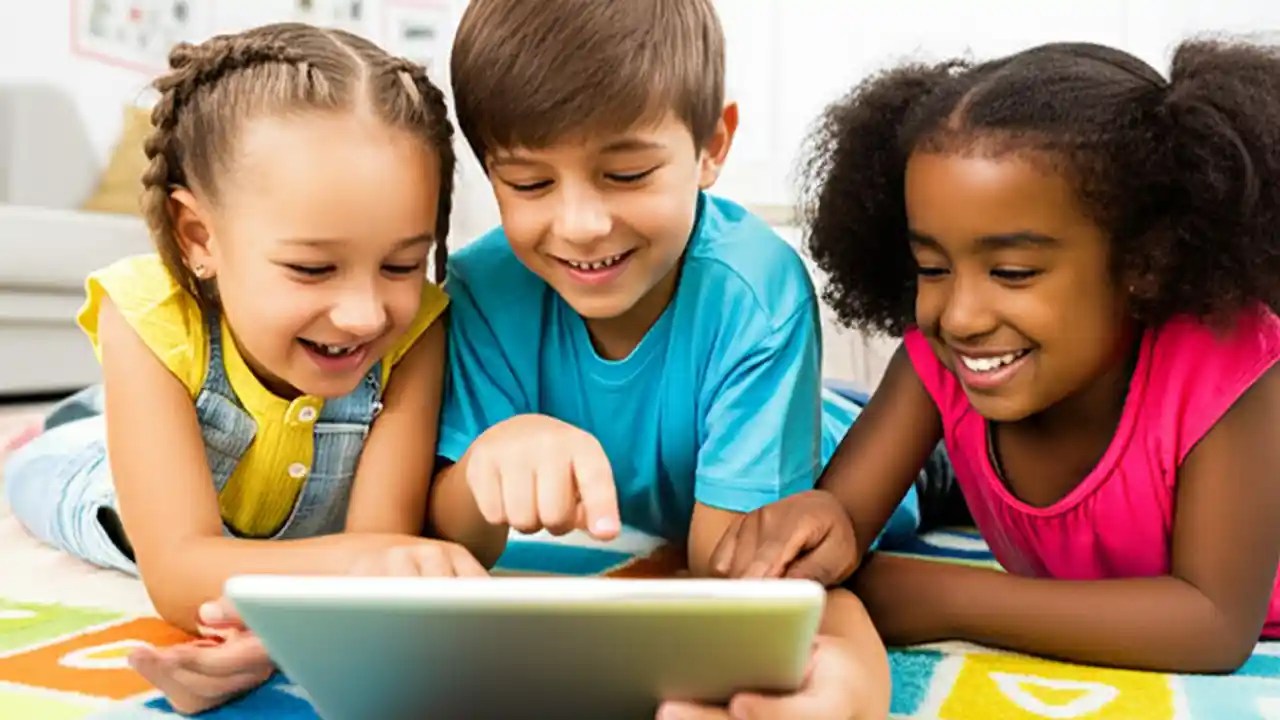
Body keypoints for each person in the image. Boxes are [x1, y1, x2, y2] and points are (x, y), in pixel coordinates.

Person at [711, 38, 1280, 673]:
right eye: (933, 267)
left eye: (1011, 272)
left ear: (1144, 263)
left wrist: (942, 597)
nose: (959, 317)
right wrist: (814, 527)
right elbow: (842, 515)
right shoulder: (939, 361)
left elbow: (1213, 625)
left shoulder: (1230, 369)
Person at [425, 1, 920, 716]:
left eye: (626, 174)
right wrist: (486, 464)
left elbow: (734, 569)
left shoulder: (753, 291)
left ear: (712, 146)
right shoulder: (481, 287)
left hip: (859, 450)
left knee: (803, 578)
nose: (582, 225)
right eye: (530, 184)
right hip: (700, 476)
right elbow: (449, 538)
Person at [2, 22, 484, 713]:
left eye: (401, 264)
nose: (362, 313)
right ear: (199, 236)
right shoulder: (148, 315)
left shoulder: (417, 330)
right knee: (38, 472)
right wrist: (359, 568)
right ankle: (60, 426)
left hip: (279, 532)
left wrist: (285, 634)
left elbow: (378, 540)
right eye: (312, 268)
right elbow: (179, 572)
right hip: (98, 478)